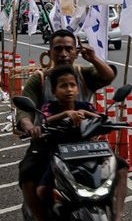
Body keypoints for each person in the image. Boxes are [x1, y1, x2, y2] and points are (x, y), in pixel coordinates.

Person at [15, 29, 132, 221]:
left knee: (120, 167)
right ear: (50, 51)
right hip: (49, 142)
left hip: (85, 143)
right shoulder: (41, 78)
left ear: (76, 51)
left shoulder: (84, 74)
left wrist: (92, 58)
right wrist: (30, 126)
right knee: (28, 174)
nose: (63, 53)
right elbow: (24, 110)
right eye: (58, 49)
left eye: (68, 48)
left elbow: (108, 76)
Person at [34, 65, 99, 202]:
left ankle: (115, 219)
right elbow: (44, 121)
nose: (69, 89)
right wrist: (65, 114)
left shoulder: (85, 106)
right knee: (41, 190)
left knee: (115, 173)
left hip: (86, 153)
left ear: (77, 88)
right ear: (54, 91)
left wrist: (86, 114)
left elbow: (99, 119)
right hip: (59, 156)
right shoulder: (50, 107)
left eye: (72, 85)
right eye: (63, 86)